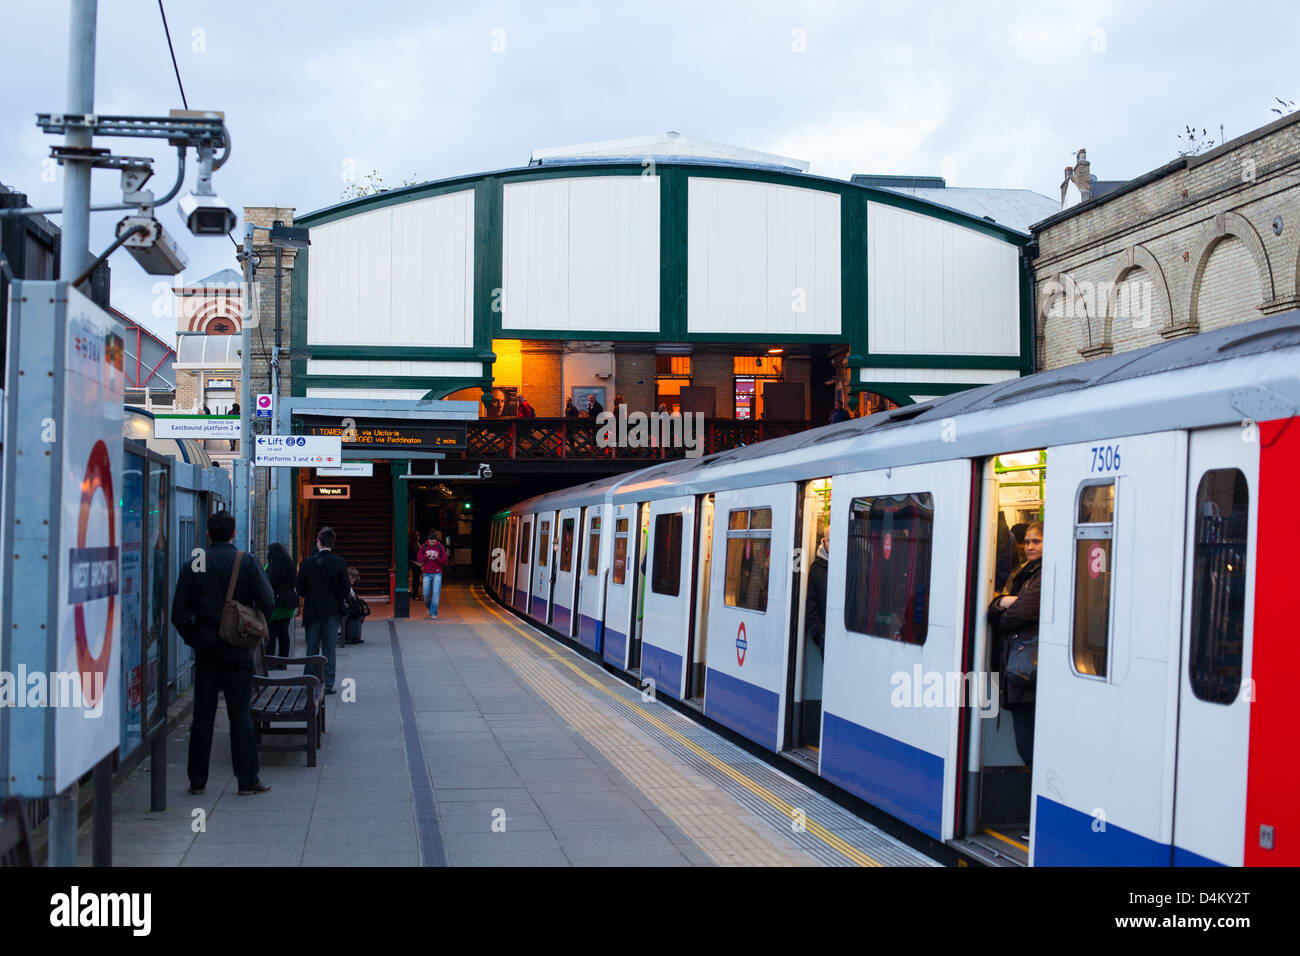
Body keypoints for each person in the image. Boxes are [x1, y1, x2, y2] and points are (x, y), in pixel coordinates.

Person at [170, 510, 274, 796]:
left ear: (207, 534)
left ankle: (197, 781)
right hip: (238, 650)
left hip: (206, 652)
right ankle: (247, 779)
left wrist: (197, 638)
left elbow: (178, 613)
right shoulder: (246, 561)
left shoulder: (195, 564)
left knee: (203, 716)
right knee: (239, 715)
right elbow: (267, 600)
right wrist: (251, 629)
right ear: (233, 533)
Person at [988, 521, 1043, 767]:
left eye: (1037, 541)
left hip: (1027, 672)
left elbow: (1018, 613)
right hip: (1021, 671)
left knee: (1027, 745)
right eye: (1028, 541)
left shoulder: (1041, 575)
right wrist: (1000, 604)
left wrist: (1000, 608)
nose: (1030, 547)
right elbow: (998, 607)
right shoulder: (1025, 571)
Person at [296, 527, 350, 695]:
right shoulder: (339, 562)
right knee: (329, 648)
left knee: (311, 647)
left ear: (318, 542)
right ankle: (328, 683)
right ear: (332, 544)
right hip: (332, 609)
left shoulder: (307, 563)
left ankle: (310, 680)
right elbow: (345, 588)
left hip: (312, 610)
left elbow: (300, 589)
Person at [264, 542, 297, 667]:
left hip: (276, 602)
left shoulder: (274, 565)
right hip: (289, 603)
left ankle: (270, 662)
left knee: (271, 632)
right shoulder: (290, 564)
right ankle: (283, 662)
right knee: (284, 632)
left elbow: (268, 582)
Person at [419, 530, 449, 619]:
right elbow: (419, 558)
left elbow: (445, 561)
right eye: (431, 542)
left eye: (434, 542)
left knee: (436, 593)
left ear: (436, 540)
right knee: (425, 593)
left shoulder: (440, 547)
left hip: (437, 573)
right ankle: (429, 607)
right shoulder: (424, 547)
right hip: (426, 573)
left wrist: (437, 558)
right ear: (428, 540)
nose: (432, 544)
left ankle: (433, 612)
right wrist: (426, 556)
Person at [343, 567, 368, 645]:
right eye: (354, 580)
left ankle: (353, 633)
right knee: (359, 613)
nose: (353, 583)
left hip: (347, 605)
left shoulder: (347, 585)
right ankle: (353, 634)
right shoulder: (345, 585)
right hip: (345, 607)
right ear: (350, 577)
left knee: (361, 612)